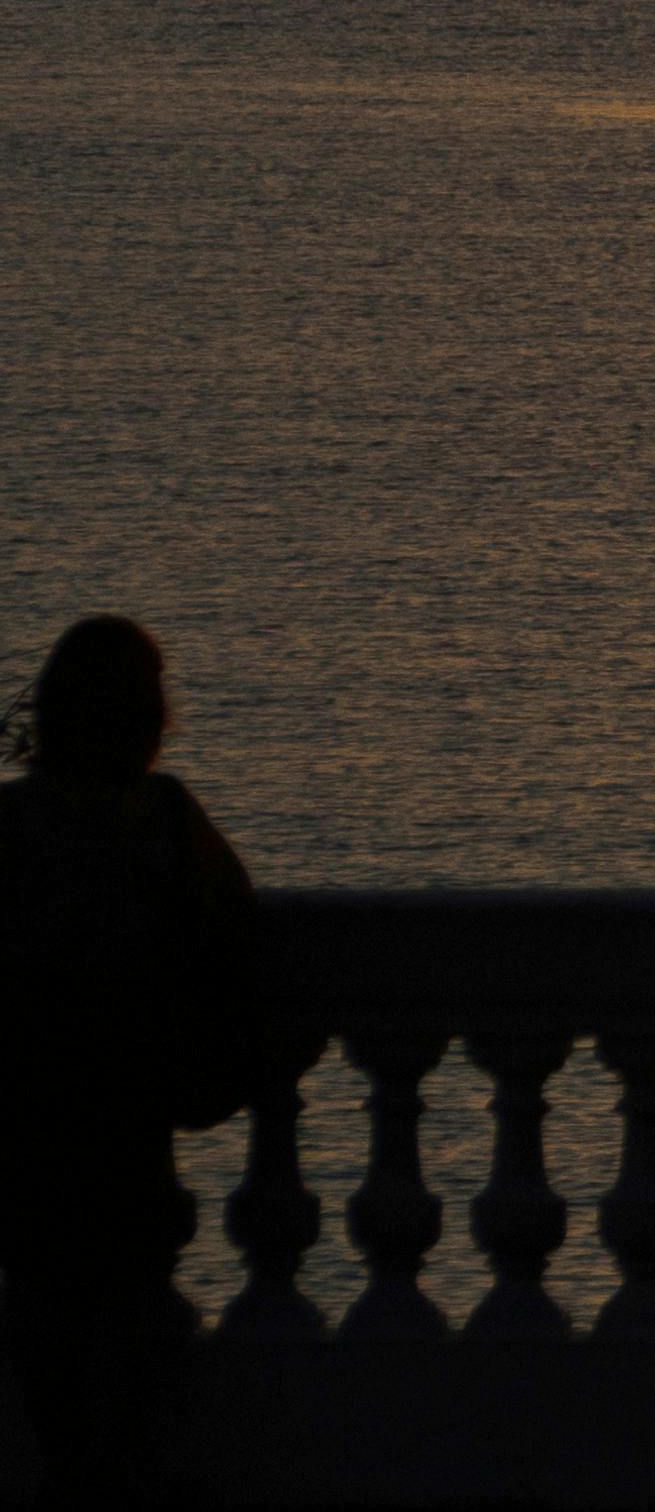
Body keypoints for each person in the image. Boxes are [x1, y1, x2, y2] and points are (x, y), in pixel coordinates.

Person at [0, 619, 256, 1512]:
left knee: (52, 1336)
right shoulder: (165, 822)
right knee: (126, 1331)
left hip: (35, 1128)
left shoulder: (14, 826)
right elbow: (236, 937)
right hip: (126, 1123)